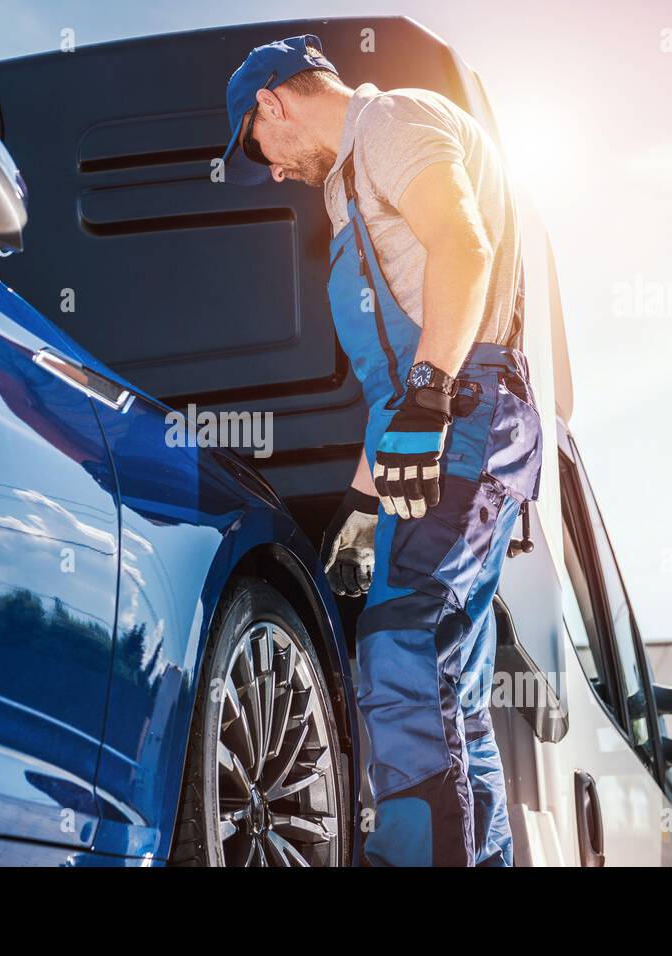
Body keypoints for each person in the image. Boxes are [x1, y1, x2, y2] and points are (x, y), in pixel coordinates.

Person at [219, 35, 542, 866]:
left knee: (401, 642)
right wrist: (361, 510)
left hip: (465, 421)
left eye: (260, 149)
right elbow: (389, 388)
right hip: (437, 434)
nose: (273, 168)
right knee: (455, 694)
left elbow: (462, 247)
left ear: (272, 104)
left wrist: (433, 394)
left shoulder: (393, 121)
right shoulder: (349, 190)